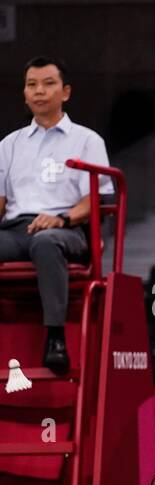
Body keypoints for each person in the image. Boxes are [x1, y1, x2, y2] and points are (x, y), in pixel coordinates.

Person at [0, 57, 112, 374]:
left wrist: (60, 219)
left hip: (68, 231)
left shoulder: (87, 141)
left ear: (65, 92)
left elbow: (97, 199)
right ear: (24, 94)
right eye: (31, 84)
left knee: (46, 242)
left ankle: (56, 339)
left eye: (48, 84)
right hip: (16, 230)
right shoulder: (9, 145)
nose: (39, 91)